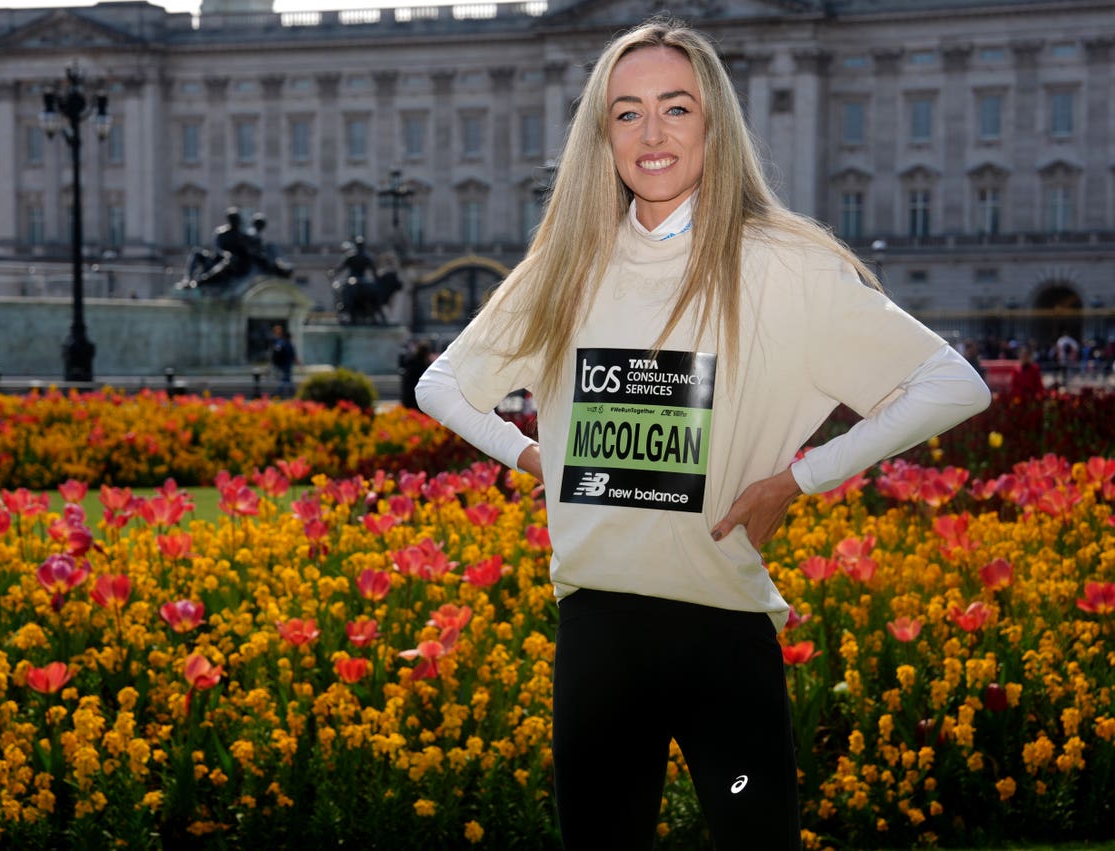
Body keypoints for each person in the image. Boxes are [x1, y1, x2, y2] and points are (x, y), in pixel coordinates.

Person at [416, 18, 990, 851]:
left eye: (676, 108)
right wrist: (534, 453)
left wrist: (800, 478)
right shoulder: (565, 264)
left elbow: (951, 384)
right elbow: (443, 385)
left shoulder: (785, 264)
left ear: (714, 123)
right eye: (627, 112)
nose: (652, 134)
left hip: (722, 640)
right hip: (597, 637)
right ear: (599, 134)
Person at [270, 324, 297, 396]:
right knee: (286, 378)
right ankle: (281, 392)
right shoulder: (288, 344)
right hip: (286, 364)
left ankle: (288, 391)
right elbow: (293, 355)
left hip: (283, 364)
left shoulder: (282, 342)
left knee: (286, 378)